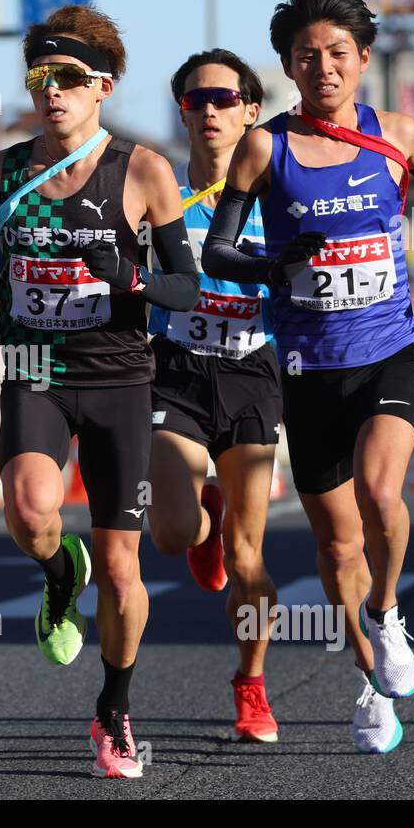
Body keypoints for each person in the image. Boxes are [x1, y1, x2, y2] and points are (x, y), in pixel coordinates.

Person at [201, 0, 414, 754]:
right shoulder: (265, 146)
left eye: (337, 54)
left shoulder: (397, 133)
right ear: (289, 64)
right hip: (309, 367)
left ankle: (387, 614)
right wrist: (270, 259)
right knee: (337, 545)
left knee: (382, 493)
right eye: (307, 56)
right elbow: (220, 249)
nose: (323, 67)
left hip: (388, 349)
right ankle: (370, 680)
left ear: (362, 60)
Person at [0, 4, 198, 779]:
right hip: (34, 368)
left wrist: (127, 277)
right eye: (40, 77)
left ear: (102, 87)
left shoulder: (146, 171)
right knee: (30, 515)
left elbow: (185, 291)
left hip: (122, 375)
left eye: (67, 79)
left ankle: (114, 708)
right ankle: (62, 575)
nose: (51, 92)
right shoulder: (2, 173)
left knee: (125, 572)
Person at [147, 49, 281, 744]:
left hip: (252, 372)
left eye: (225, 100)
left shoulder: (275, 199)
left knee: (249, 553)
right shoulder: (157, 192)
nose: (210, 111)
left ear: (250, 112)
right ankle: (202, 513)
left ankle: (251, 683)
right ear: (182, 113)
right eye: (196, 101)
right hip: (176, 370)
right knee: (170, 534)